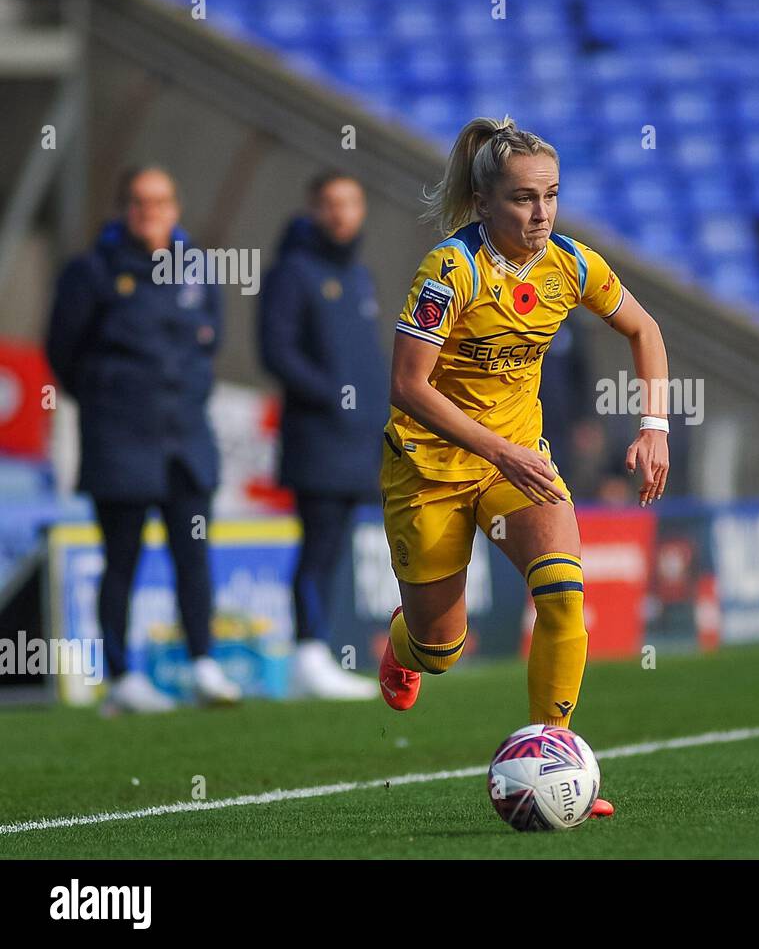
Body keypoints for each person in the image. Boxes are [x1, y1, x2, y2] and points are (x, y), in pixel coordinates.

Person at [378, 116, 671, 818]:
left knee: (565, 596)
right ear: (484, 202)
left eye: (550, 196)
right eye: (521, 198)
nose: (540, 213)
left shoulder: (571, 264)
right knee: (442, 649)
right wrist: (497, 445)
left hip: (516, 466)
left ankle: (556, 759)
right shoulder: (451, 271)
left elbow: (645, 329)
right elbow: (407, 386)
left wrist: (653, 427)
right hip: (430, 471)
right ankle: (401, 644)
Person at [46, 165, 241, 714]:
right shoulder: (91, 271)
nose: (149, 212)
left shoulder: (197, 267)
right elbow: (63, 351)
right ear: (122, 209)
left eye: (159, 202)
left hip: (186, 439)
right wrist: (111, 396)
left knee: (193, 555)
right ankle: (122, 678)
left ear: (175, 208)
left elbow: (211, 341)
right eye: (138, 202)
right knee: (121, 558)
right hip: (120, 441)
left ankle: (203, 663)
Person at [259, 171, 389, 699]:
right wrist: (334, 395)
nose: (341, 213)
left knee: (338, 546)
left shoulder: (359, 275)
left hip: (360, 441)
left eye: (351, 202)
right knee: (319, 543)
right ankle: (308, 653)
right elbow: (277, 351)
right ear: (313, 209)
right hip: (318, 438)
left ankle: (325, 649)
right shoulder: (293, 272)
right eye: (330, 203)